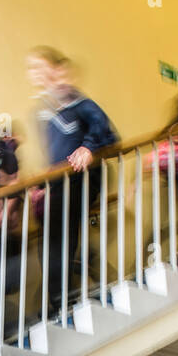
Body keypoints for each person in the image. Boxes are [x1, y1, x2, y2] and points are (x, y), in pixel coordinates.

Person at [27, 47, 118, 320]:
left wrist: (88, 146)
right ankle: (61, 297)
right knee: (54, 238)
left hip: (84, 178)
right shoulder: (42, 111)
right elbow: (55, 153)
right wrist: (43, 182)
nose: (35, 74)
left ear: (56, 69)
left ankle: (63, 296)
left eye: (39, 67)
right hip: (59, 182)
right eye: (31, 69)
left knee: (60, 235)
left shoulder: (81, 104)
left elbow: (107, 132)